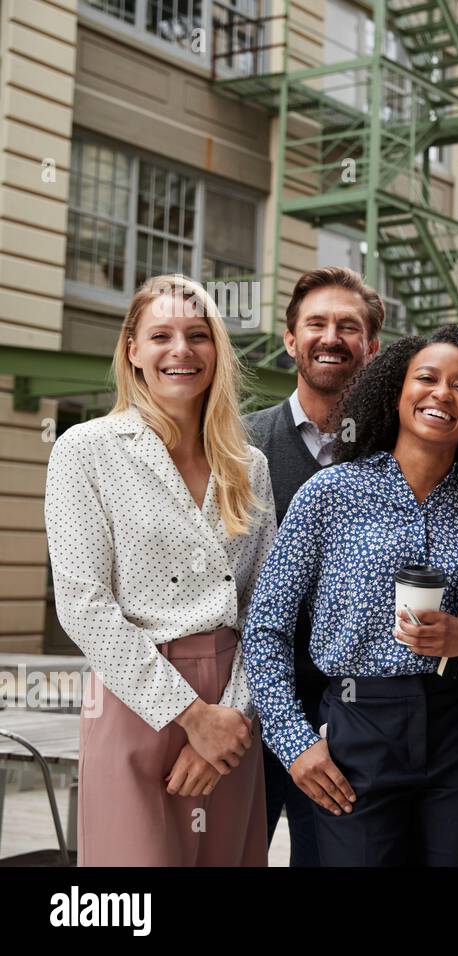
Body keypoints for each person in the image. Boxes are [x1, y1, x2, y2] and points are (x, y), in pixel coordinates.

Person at [242, 326, 458, 866]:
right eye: (426, 378)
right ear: (395, 391)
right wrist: (295, 743)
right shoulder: (331, 494)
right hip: (359, 725)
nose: (442, 393)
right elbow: (266, 627)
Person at [45, 274, 275, 866]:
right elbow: (83, 604)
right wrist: (190, 716)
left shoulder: (248, 465)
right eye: (162, 335)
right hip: (135, 693)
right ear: (133, 349)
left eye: (198, 335)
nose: (181, 350)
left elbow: (265, 608)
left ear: (217, 350)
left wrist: (230, 719)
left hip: (233, 703)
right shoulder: (85, 449)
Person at [242, 266, 383, 867]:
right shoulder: (238, 447)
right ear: (290, 339)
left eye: (348, 327)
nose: (331, 337)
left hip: (356, 725)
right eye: (316, 324)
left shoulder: (394, 457)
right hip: (248, 711)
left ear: (372, 347)